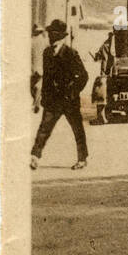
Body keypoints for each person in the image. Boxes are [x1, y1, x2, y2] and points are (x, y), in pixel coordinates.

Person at [30, 20, 89, 170]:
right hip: (53, 101)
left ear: (60, 36)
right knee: (44, 128)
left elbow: (83, 76)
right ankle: (35, 157)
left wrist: (72, 92)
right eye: (49, 33)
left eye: (53, 34)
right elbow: (47, 79)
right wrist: (42, 98)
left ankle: (82, 159)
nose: (50, 36)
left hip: (69, 100)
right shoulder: (47, 53)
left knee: (77, 129)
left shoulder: (71, 53)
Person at [31, 24, 45, 114]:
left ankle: (36, 103)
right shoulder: (44, 41)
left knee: (33, 85)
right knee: (38, 86)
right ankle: (36, 103)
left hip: (35, 66)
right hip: (42, 66)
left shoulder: (32, 41)